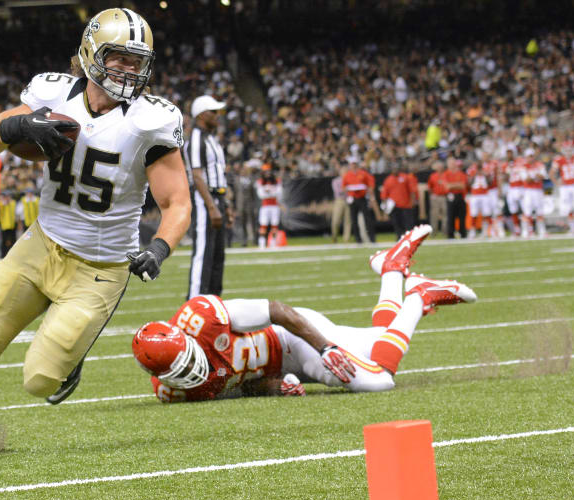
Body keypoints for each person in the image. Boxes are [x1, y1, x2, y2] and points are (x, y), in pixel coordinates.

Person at [0, 7, 191, 459]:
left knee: (40, 380)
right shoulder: (53, 93)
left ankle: (69, 359)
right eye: (119, 58)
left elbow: (176, 203)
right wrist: (19, 124)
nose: (130, 70)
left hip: (100, 267)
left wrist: (159, 247)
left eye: (137, 61)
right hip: (42, 243)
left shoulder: (150, 120)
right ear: (92, 52)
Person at [133, 225, 476, 401]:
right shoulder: (172, 392)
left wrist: (325, 347)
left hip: (293, 340)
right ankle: (391, 270)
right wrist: (276, 388)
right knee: (380, 342)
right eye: (183, 371)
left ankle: (418, 295)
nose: (195, 370)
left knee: (378, 379)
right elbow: (240, 385)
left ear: (186, 338)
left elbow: (278, 311)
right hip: (282, 367)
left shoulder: (203, 317)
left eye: (190, 360)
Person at [186, 94, 229, 298]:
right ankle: (194, 302)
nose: (217, 115)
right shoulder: (196, 138)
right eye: (213, 112)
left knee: (218, 255)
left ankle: (213, 303)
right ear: (202, 115)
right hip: (205, 200)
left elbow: (219, 173)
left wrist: (225, 204)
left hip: (217, 197)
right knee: (203, 253)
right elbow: (197, 175)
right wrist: (211, 206)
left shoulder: (211, 139)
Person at [342, 160, 378, 244]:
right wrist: (348, 191)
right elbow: (344, 187)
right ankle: (358, 239)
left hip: (362, 198)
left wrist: (370, 192)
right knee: (354, 219)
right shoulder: (347, 175)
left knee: (367, 218)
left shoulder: (363, 173)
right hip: (352, 199)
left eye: (355, 164)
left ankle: (372, 238)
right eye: (352, 164)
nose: (353, 166)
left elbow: (371, 183)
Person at [380, 161, 418, 239]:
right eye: (393, 168)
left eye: (396, 168)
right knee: (397, 225)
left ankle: (411, 240)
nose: (395, 170)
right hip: (394, 207)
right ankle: (399, 240)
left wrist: (413, 201)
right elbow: (384, 195)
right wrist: (385, 210)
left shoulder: (405, 177)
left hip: (406, 205)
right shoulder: (388, 180)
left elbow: (412, 190)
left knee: (409, 225)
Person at [253, 162, 281, 249]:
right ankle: (261, 244)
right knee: (263, 225)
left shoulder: (277, 181)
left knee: (274, 225)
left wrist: (269, 192)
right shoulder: (260, 182)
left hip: (274, 206)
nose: (267, 174)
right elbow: (261, 195)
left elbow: (279, 193)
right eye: (266, 172)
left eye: (269, 171)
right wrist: (271, 192)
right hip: (265, 206)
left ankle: (273, 244)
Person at [441, 157, 469, 239]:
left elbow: (463, 186)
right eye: (450, 163)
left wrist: (452, 185)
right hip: (450, 197)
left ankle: (463, 233)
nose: (452, 165)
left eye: (453, 163)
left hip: (460, 196)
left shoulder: (461, 174)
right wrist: (457, 185)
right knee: (450, 216)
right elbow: (447, 187)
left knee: (462, 216)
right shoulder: (445, 174)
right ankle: (450, 234)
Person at [0, 191, 17, 257]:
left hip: (12, 225)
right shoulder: (1, 203)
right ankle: (3, 255)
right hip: (4, 225)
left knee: (13, 240)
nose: (7, 198)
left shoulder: (13, 203)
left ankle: (12, 254)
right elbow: (1, 208)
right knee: (4, 241)